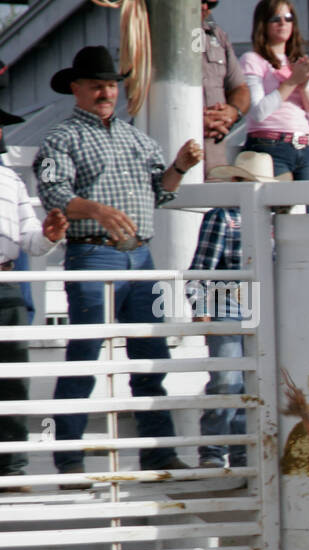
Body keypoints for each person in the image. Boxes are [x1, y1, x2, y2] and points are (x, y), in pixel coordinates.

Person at [35, 46, 203, 479]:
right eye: (96, 85)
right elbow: (54, 194)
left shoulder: (138, 138)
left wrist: (179, 168)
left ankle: (156, 450)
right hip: (94, 251)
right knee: (86, 354)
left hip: (137, 254)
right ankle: (69, 456)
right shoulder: (62, 137)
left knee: (149, 354)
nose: (105, 92)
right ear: (77, 89)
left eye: (110, 85)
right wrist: (98, 211)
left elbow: (161, 192)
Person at [189, 152, 288, 471]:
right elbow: (201, 269)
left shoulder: (270, 220)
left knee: (251, 380)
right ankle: (216, 449)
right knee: (228, 380)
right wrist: (202, 308)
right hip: (229, 303)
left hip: (257, 303)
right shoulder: (224, 217)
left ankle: (241, 448)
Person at [0, 107, 68, 489]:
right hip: (7, 286)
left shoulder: (10, 181)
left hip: (6, 285)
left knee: (12, 382)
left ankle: (11, 469)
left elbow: (31, 240)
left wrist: (50, 235)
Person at [240, 0, 309, 190]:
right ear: (263, 24)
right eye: (275, 19)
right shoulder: (252, 60)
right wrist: (292, 81)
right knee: (283, 211)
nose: (283, 23)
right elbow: (258, 112)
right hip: (269, 146)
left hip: (304, 146)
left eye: (288, 18)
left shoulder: (296, 63)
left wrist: (303, 85)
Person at [199, 0, 251, 173]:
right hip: (173, 162)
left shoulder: (217, 36)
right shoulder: (152, 38)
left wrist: (233, 112)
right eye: (200, 1)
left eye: (211, 4)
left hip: (215, 161)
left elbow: (240, 89)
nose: (205, 8)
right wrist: (194, 122)